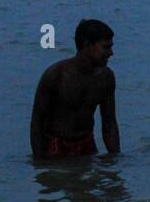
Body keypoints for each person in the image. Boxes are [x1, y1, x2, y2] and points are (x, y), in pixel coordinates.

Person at [30, 19, 120, 158]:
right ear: (88, 45)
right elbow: (37, 124)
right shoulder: (56, 75)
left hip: (87, 145)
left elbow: (109, 124)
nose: (111, 53)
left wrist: (115, 160)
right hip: (56, 147)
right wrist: (41, 164)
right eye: (106, 47)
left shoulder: (105, 77)